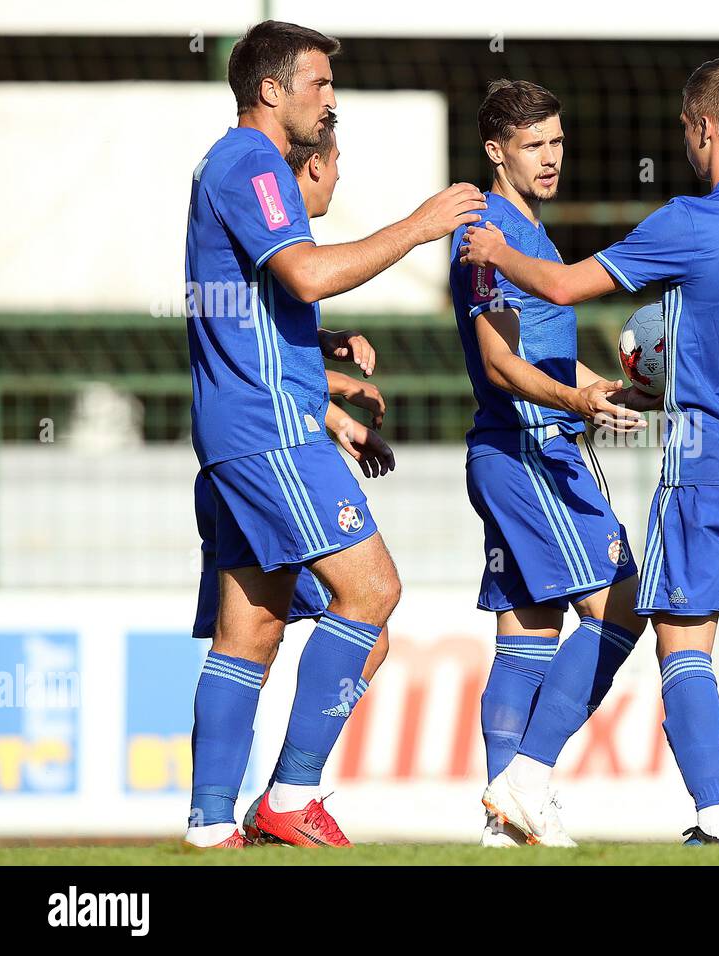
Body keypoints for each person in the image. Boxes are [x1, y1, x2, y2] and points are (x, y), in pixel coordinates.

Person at [460, 56, 719, 845]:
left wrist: (496, 253)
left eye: (687, 129)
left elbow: (562, 286)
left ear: (706, 128)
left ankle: (708, 814)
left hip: (703, 466)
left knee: (681, 639)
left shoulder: (689, 222)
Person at [184, 19, 485, 848]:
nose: (330, 99)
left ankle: (211, 825)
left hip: (241, 430)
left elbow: (243, 306)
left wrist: (317, 358)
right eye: (317, 83)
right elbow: (305, 271)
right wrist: (421, 226)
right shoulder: (251, 160)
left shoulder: (226, 164)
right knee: (374, 593)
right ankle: (290, 795)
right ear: (270, 90)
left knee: (251, 628)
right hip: (269, 433)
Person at [448, 79, 648, 847]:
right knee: (625, 606)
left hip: (517, 448)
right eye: (534, 145)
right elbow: (500, 363)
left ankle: (503, 822)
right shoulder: (485, 232)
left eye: (557, 141)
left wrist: (607, 386)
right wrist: (575, 402)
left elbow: (539, 350)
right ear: (496, 151)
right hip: (532, 450)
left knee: (527, 634)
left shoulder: (528, 231)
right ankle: (528, 780)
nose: (551, 157)